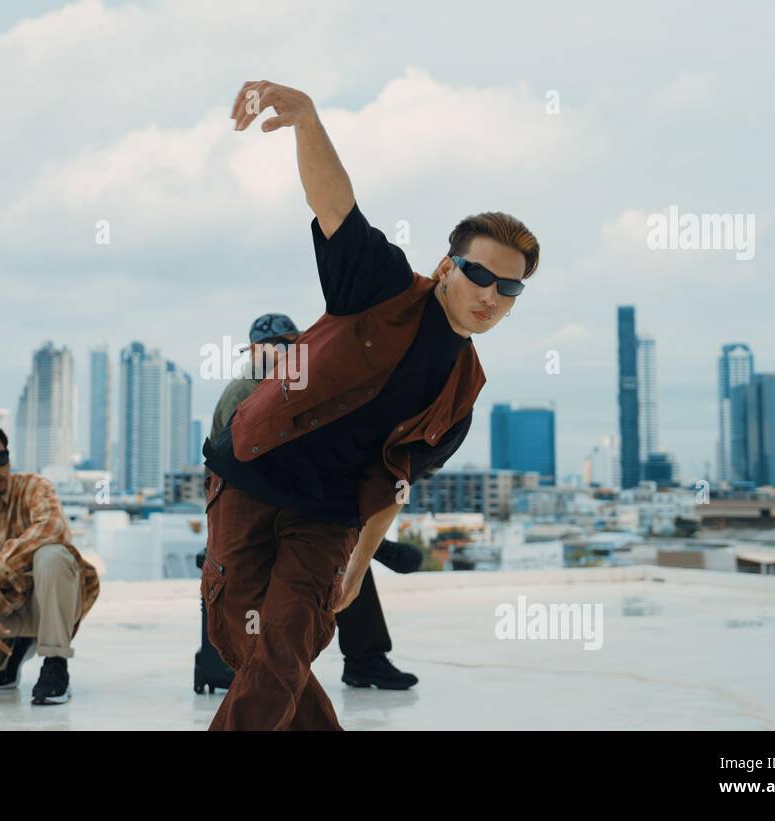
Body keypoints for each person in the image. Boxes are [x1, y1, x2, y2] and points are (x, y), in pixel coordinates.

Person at [201, 80, 541, 730]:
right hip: (250, 472)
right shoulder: (382, 284)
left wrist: (358, 565)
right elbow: (336, 204)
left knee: (283, 648)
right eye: (479, 274)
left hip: (326, 520)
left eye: (509, 287)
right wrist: (305, 120)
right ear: (447, 268)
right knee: (241, 641)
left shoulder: (461, 397)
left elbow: (393, 483)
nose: (490, 295)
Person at [193, 313, 424, 695]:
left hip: (301, 504)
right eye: (267, 350)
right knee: (227, 571)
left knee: (345, 561)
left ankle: (365, 659)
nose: (277, 356)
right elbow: (228, 469)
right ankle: (219, 663)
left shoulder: (306, 388)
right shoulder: (243, 392)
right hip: (250, 505)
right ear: (253, 353)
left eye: (286, 347)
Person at [0, 417, 100, 705]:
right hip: (6, 611)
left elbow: (54, 527)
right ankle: (7, 659)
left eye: (1, 458)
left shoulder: (34, 487)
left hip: (52, 605)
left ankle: (55, 665)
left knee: (53, 554)